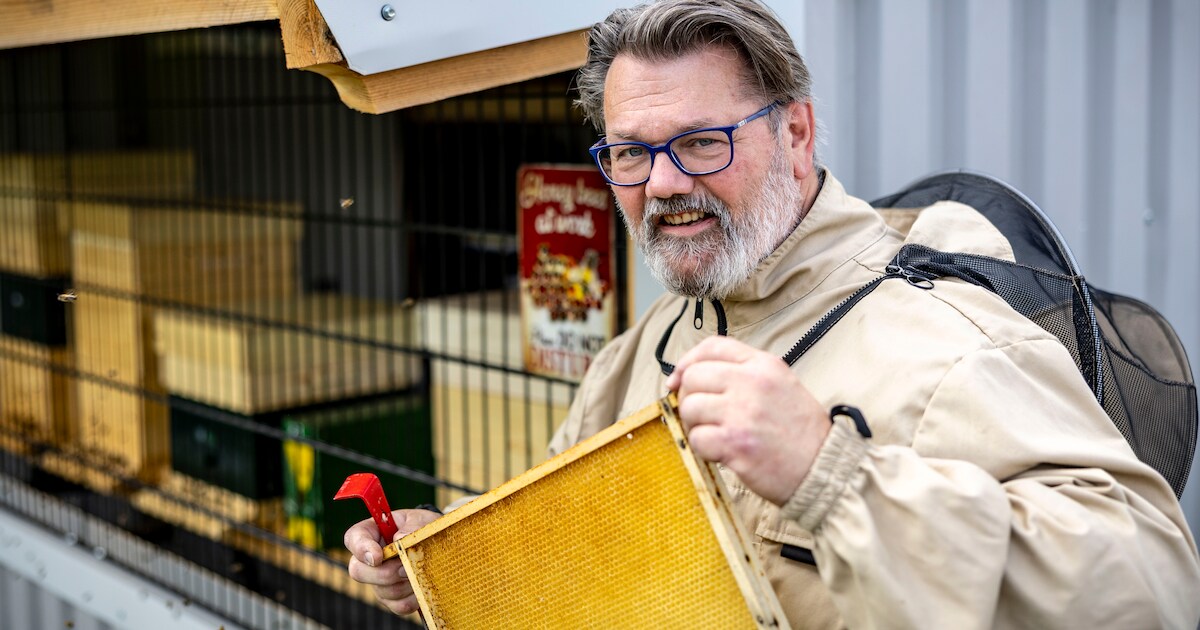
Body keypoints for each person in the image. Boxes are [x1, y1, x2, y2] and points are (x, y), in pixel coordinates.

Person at [345, 0, 1200, 626]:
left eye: (701, 142)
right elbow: (579, 568)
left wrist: (830, 474)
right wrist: (450, 567)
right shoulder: (644, 349)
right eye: (631, 154)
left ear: (795, 134)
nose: (665, 183)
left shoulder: (952, 340)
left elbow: (1155, 589)